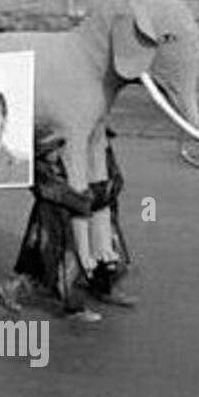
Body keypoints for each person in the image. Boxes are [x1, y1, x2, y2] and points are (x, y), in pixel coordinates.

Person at [0, 133, 101, 322]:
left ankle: (11, 288)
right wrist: (86, 201)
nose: (58, 152)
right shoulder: (41, 172)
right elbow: (61, 194)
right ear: (44, 153)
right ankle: (73, 308)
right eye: (54, 149)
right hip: (50, 221)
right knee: (65, 262)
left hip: (49, 220)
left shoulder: (52, 168)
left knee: (38, 264)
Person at [86, 127, 137, 308]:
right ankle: (104, 288)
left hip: (101, 206)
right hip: (92, 206)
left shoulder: (103, 152)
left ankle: (102, 284)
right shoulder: (91, 153)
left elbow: (113, 180)